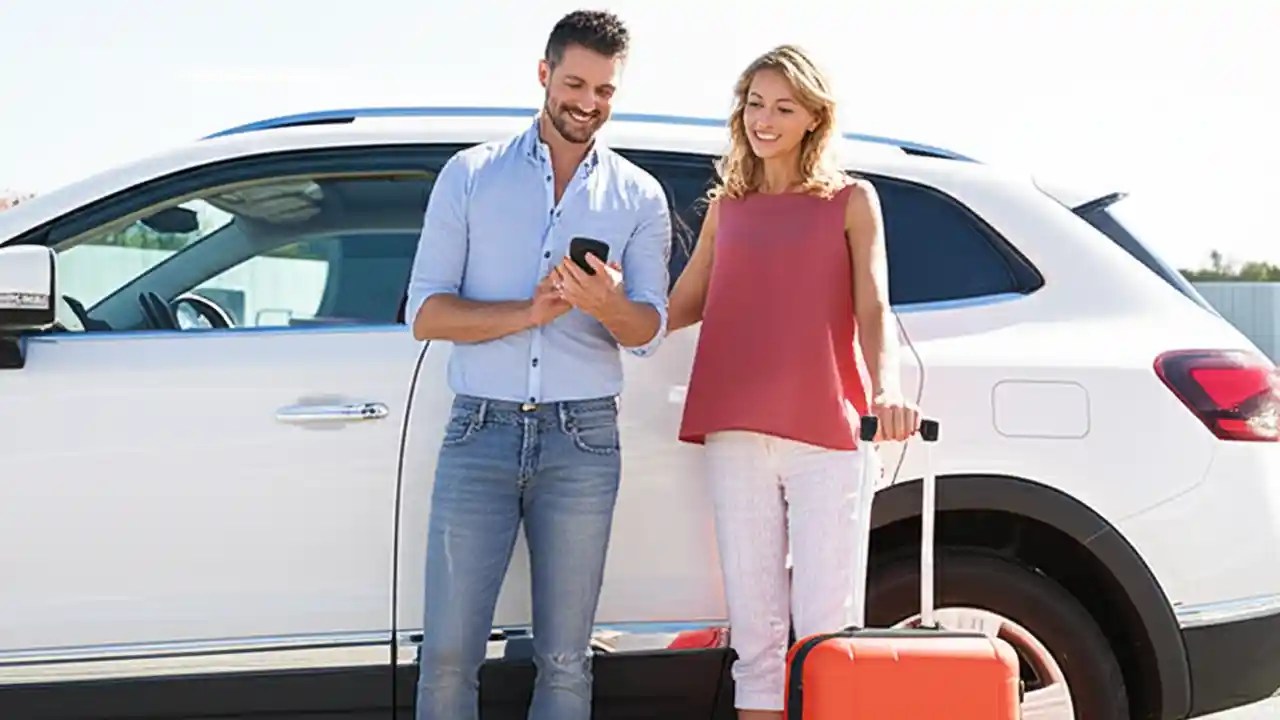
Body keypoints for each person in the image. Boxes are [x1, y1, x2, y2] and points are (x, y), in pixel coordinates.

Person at [403, 9, 671, 720]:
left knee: (565, 660)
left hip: (583, 440)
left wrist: (607, 303)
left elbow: (647, 331)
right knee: (451, 654)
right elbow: (425, 313)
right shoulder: (470, 175)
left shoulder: (638, 195)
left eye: (606, 91)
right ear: (545, 73)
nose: (588, 103)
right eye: (576, 83)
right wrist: (530, 311)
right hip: (478, 432)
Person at [667, 44, 921, 719]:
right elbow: (681, 305)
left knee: (824, 631)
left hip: (826, 437)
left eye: (783, 108)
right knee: (755, 638)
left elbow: (873, 305)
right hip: (737, 434)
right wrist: (603, 307)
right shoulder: (729, 208)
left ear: (814, 118)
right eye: (754, 104)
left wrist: (885, 388)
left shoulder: (849, 200)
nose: (764, 120)